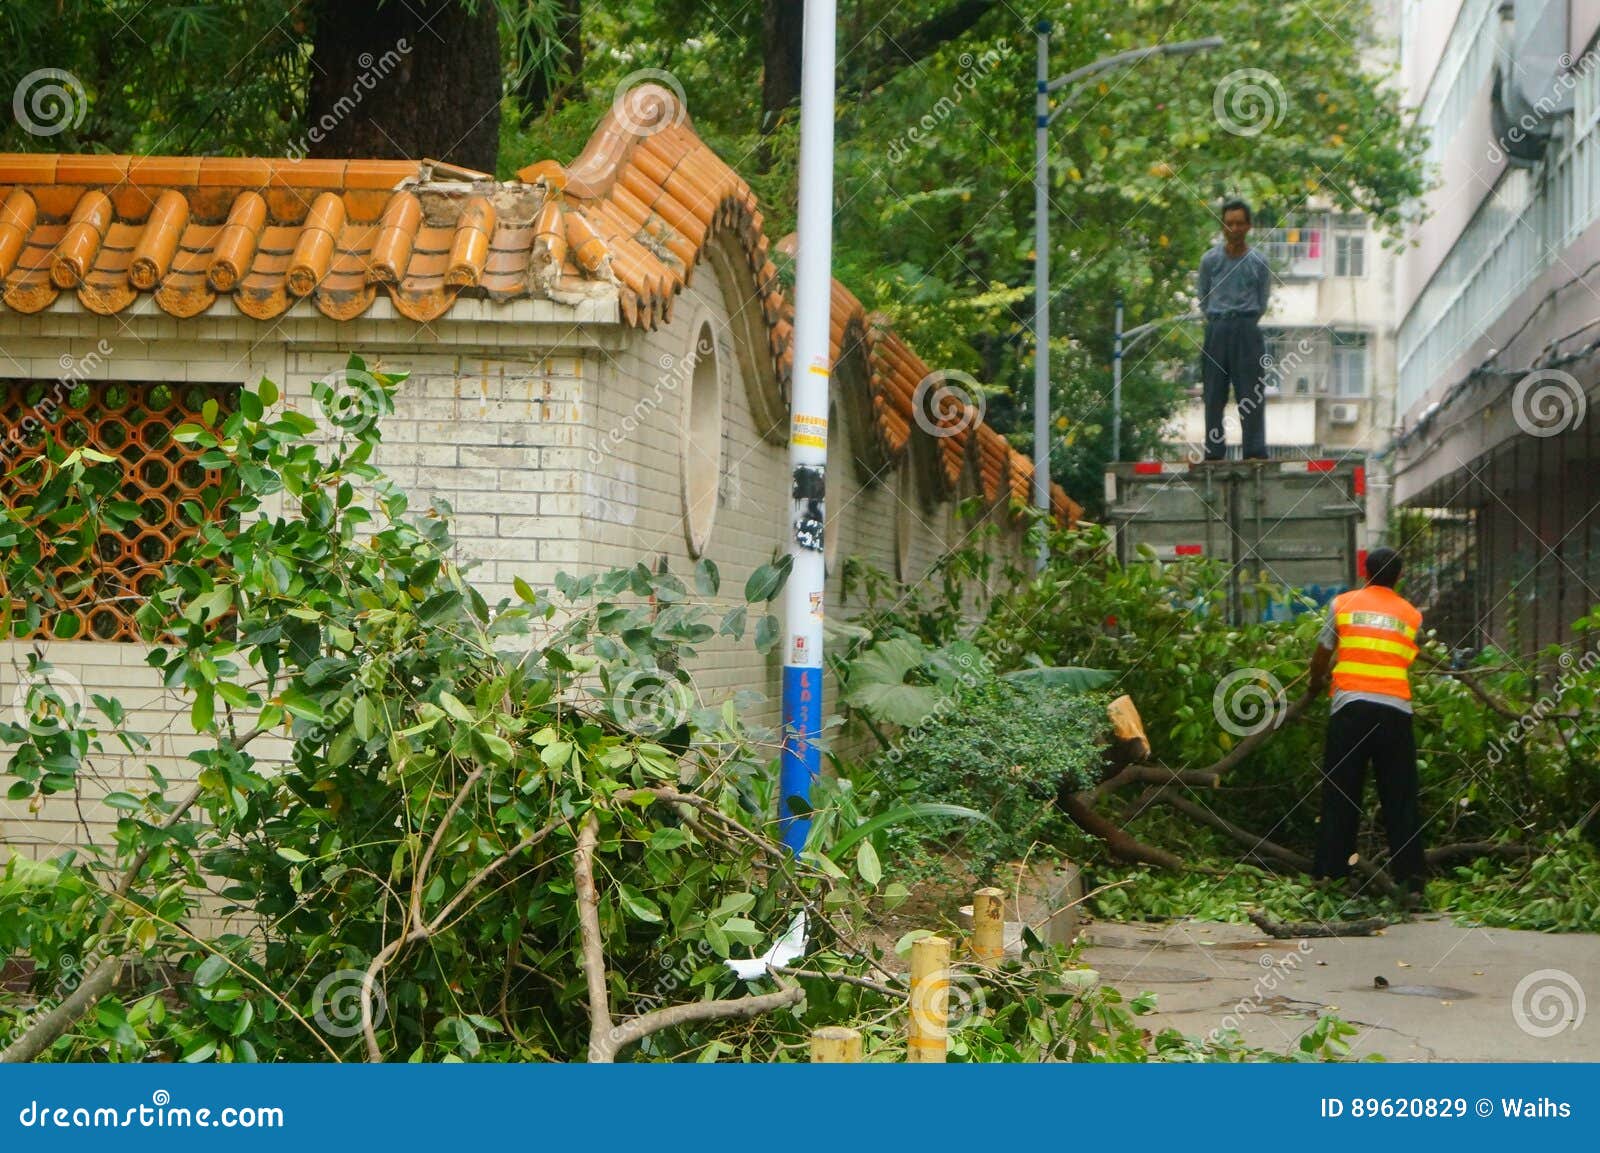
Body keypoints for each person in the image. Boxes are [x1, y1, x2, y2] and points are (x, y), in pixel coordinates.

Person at [1307, 546, 1427, 897]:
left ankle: (1333, 874)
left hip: (1351, 710)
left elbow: (1323, 652)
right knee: (1400, 797)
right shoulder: (1412, 615)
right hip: (1395, 713)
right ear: (1399, 577)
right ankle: (1412, 881)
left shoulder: (1342, 604)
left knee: (1341, 793)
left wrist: (1316, 682)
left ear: (1365, 572)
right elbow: (1402, 659)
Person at [1196, 200, 1272, 461]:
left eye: (1240, 222)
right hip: (1217, 330)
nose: (1235, 228)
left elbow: (1262, 301)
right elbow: (1203, 298)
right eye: (1230, 223)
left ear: (1248, 226)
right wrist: (1221, 319)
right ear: (1223, 226)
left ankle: (1254, 452)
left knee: (1250, 393)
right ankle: (1214, 452)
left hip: (1247, 331)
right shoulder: (1210, 260)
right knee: (1214, 394)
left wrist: (1243, 319)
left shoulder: (1259, 262)